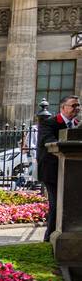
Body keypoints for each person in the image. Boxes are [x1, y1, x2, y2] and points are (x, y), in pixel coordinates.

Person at [39, 95, 81, 241]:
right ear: (63, 108)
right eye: (73, 105)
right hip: (52, 172)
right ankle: (49, 237)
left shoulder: (77, 124)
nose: (77, 108)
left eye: (78, 105)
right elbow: (48, 141)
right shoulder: (49, 123)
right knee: (56, 205)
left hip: (73, 173)